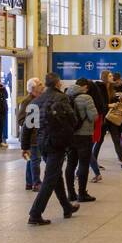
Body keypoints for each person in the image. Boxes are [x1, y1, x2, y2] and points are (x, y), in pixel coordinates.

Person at [28, 74, 80, 225]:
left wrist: (25, 145)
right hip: (57, 142)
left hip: (42, 143)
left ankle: (67, 207)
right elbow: (73, 118)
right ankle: (35, 214)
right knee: (50, 178)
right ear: (58, 84)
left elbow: (28, 125)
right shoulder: (61, 98)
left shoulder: (37, 100)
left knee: (56, 175)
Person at [64, 78, 99, 203]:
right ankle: (82, 193)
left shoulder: (65, 96)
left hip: (70, 135)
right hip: (84, 135)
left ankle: (71, 193)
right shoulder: (86, 98)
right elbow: (93, 116)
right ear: (83, 87)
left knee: (70, 164)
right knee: (83, 163)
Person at [96, 75, 122, 170]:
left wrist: (119, 99)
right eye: (110, 75)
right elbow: (99, 104)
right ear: (105, 77)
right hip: (104, 118)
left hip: (112, 117)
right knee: (99, 141)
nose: (112, 77)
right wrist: (109, 105)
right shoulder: (99, 88)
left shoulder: (113, 88)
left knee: (116, 139)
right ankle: (93, 162)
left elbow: (114, 100)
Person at [17, 80, 45, 191]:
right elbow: (21, 120)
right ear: (33, 89)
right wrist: (33, 125)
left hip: (37, 135)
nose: (42, 87)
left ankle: (29, 182)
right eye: (39, 85)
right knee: (35, 160)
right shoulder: (27, 102)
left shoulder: (38, 100)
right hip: (31, 136)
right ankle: (36, 183)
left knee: (31, 160)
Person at [86, 77, 109, 183]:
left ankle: (96, 173)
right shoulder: (99, 102)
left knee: (86, 152)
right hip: (96, 130)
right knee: (87, 151)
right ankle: (81, 172)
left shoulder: (90, 102)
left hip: (89, 130)